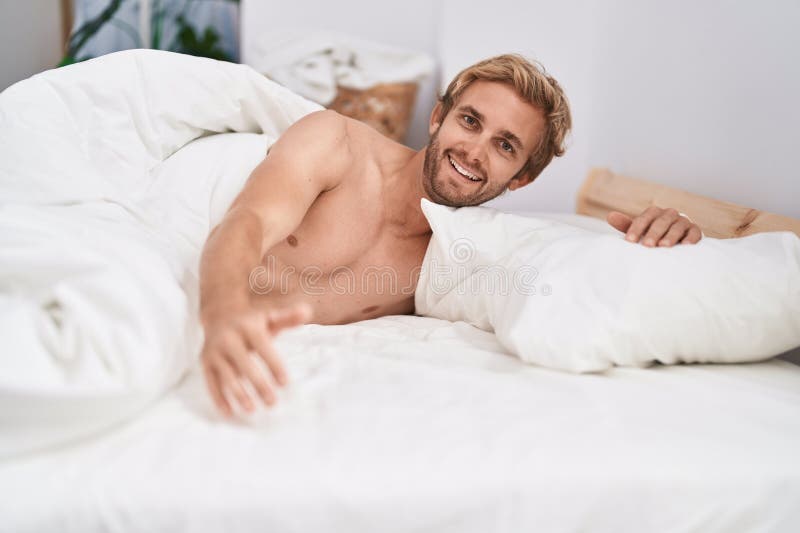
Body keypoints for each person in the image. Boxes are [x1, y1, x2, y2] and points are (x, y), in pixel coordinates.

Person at [198, 54, 703, 417]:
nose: (474, 150)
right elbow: (247, 222)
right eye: (469, 120)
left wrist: (663, 237)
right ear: (438, 117)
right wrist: (221, 312)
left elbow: (576, 267)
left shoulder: (461, 259)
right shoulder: (337, 143)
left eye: (504, 145)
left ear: (522, 178)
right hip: (203, 308)